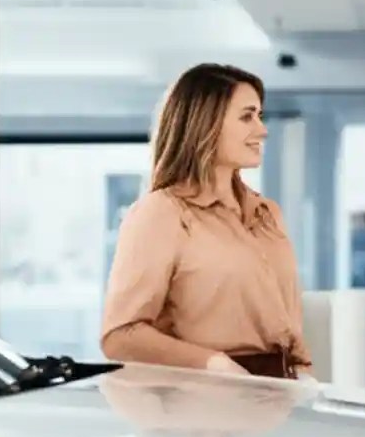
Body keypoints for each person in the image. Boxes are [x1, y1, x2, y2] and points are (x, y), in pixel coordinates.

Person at [101, 63, 315, 381]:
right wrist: (214, 364)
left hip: (280, 394)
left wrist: (302, 371)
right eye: (247, 117)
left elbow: (288, 318)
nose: (262, 129)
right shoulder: (161, 213)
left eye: (259, 115)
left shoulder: (267, 213)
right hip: (206, 399)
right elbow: (120, 335)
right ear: (207, 124)